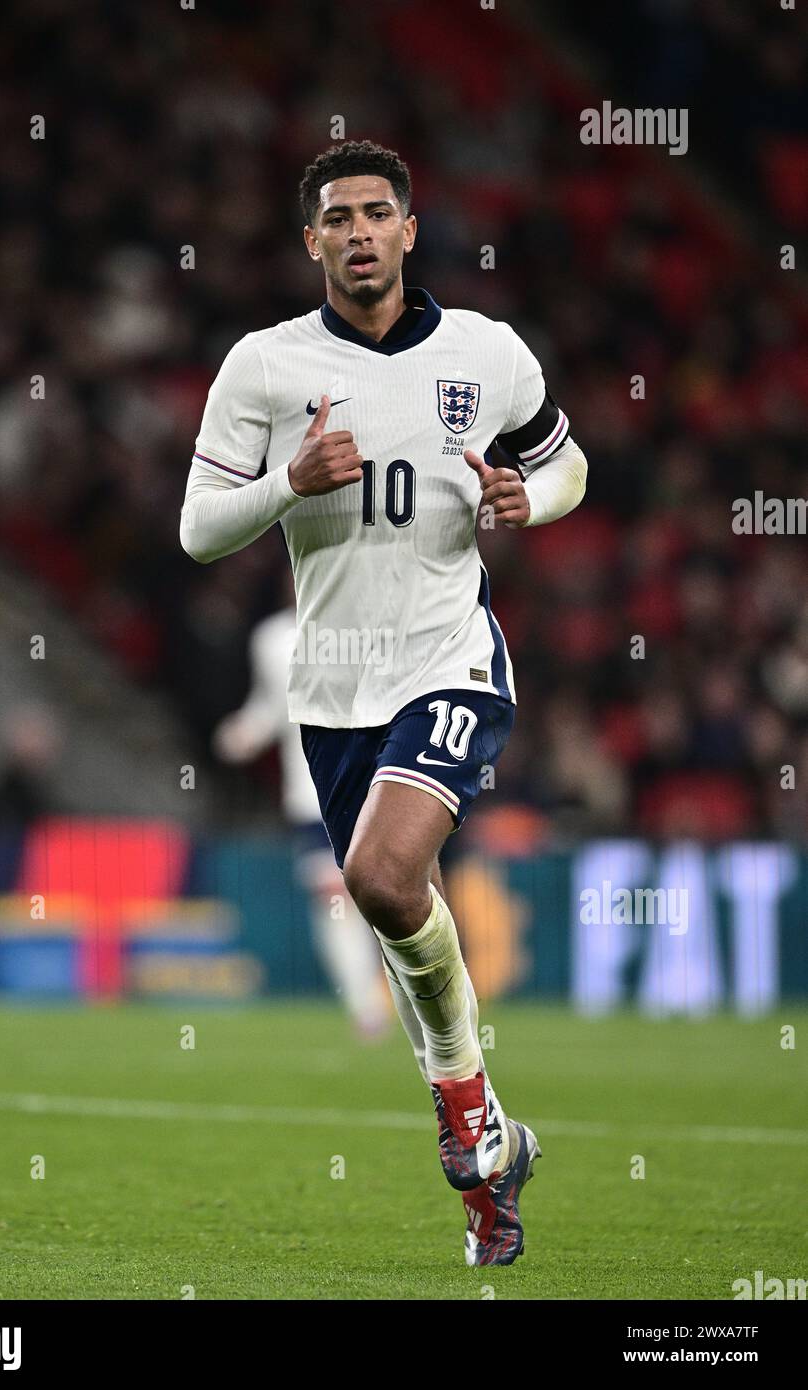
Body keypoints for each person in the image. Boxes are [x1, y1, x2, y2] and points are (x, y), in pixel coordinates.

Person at [180, 139, 588, 1266]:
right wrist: (285, 485)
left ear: (409, 229)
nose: (358, 233)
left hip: (447, 657)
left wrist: (527, 499)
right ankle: (488, 1150)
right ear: (309, 240)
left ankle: (464, 1119)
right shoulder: (264, 366)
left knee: (377, 875)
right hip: (332, 687)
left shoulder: (485, 354)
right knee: (396, 917)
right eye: (336, 218)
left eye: (376, 213)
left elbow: (565, 464)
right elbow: (197, 526)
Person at [212, 597, 391, 1039]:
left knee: (385, 895)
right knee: (334, 900)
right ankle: (366, 1006)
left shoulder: (370, 625)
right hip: (311, 795)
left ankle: (411, 1000)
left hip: (377, 784)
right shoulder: (273, 638)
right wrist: (246, 733)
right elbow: (272, 706)